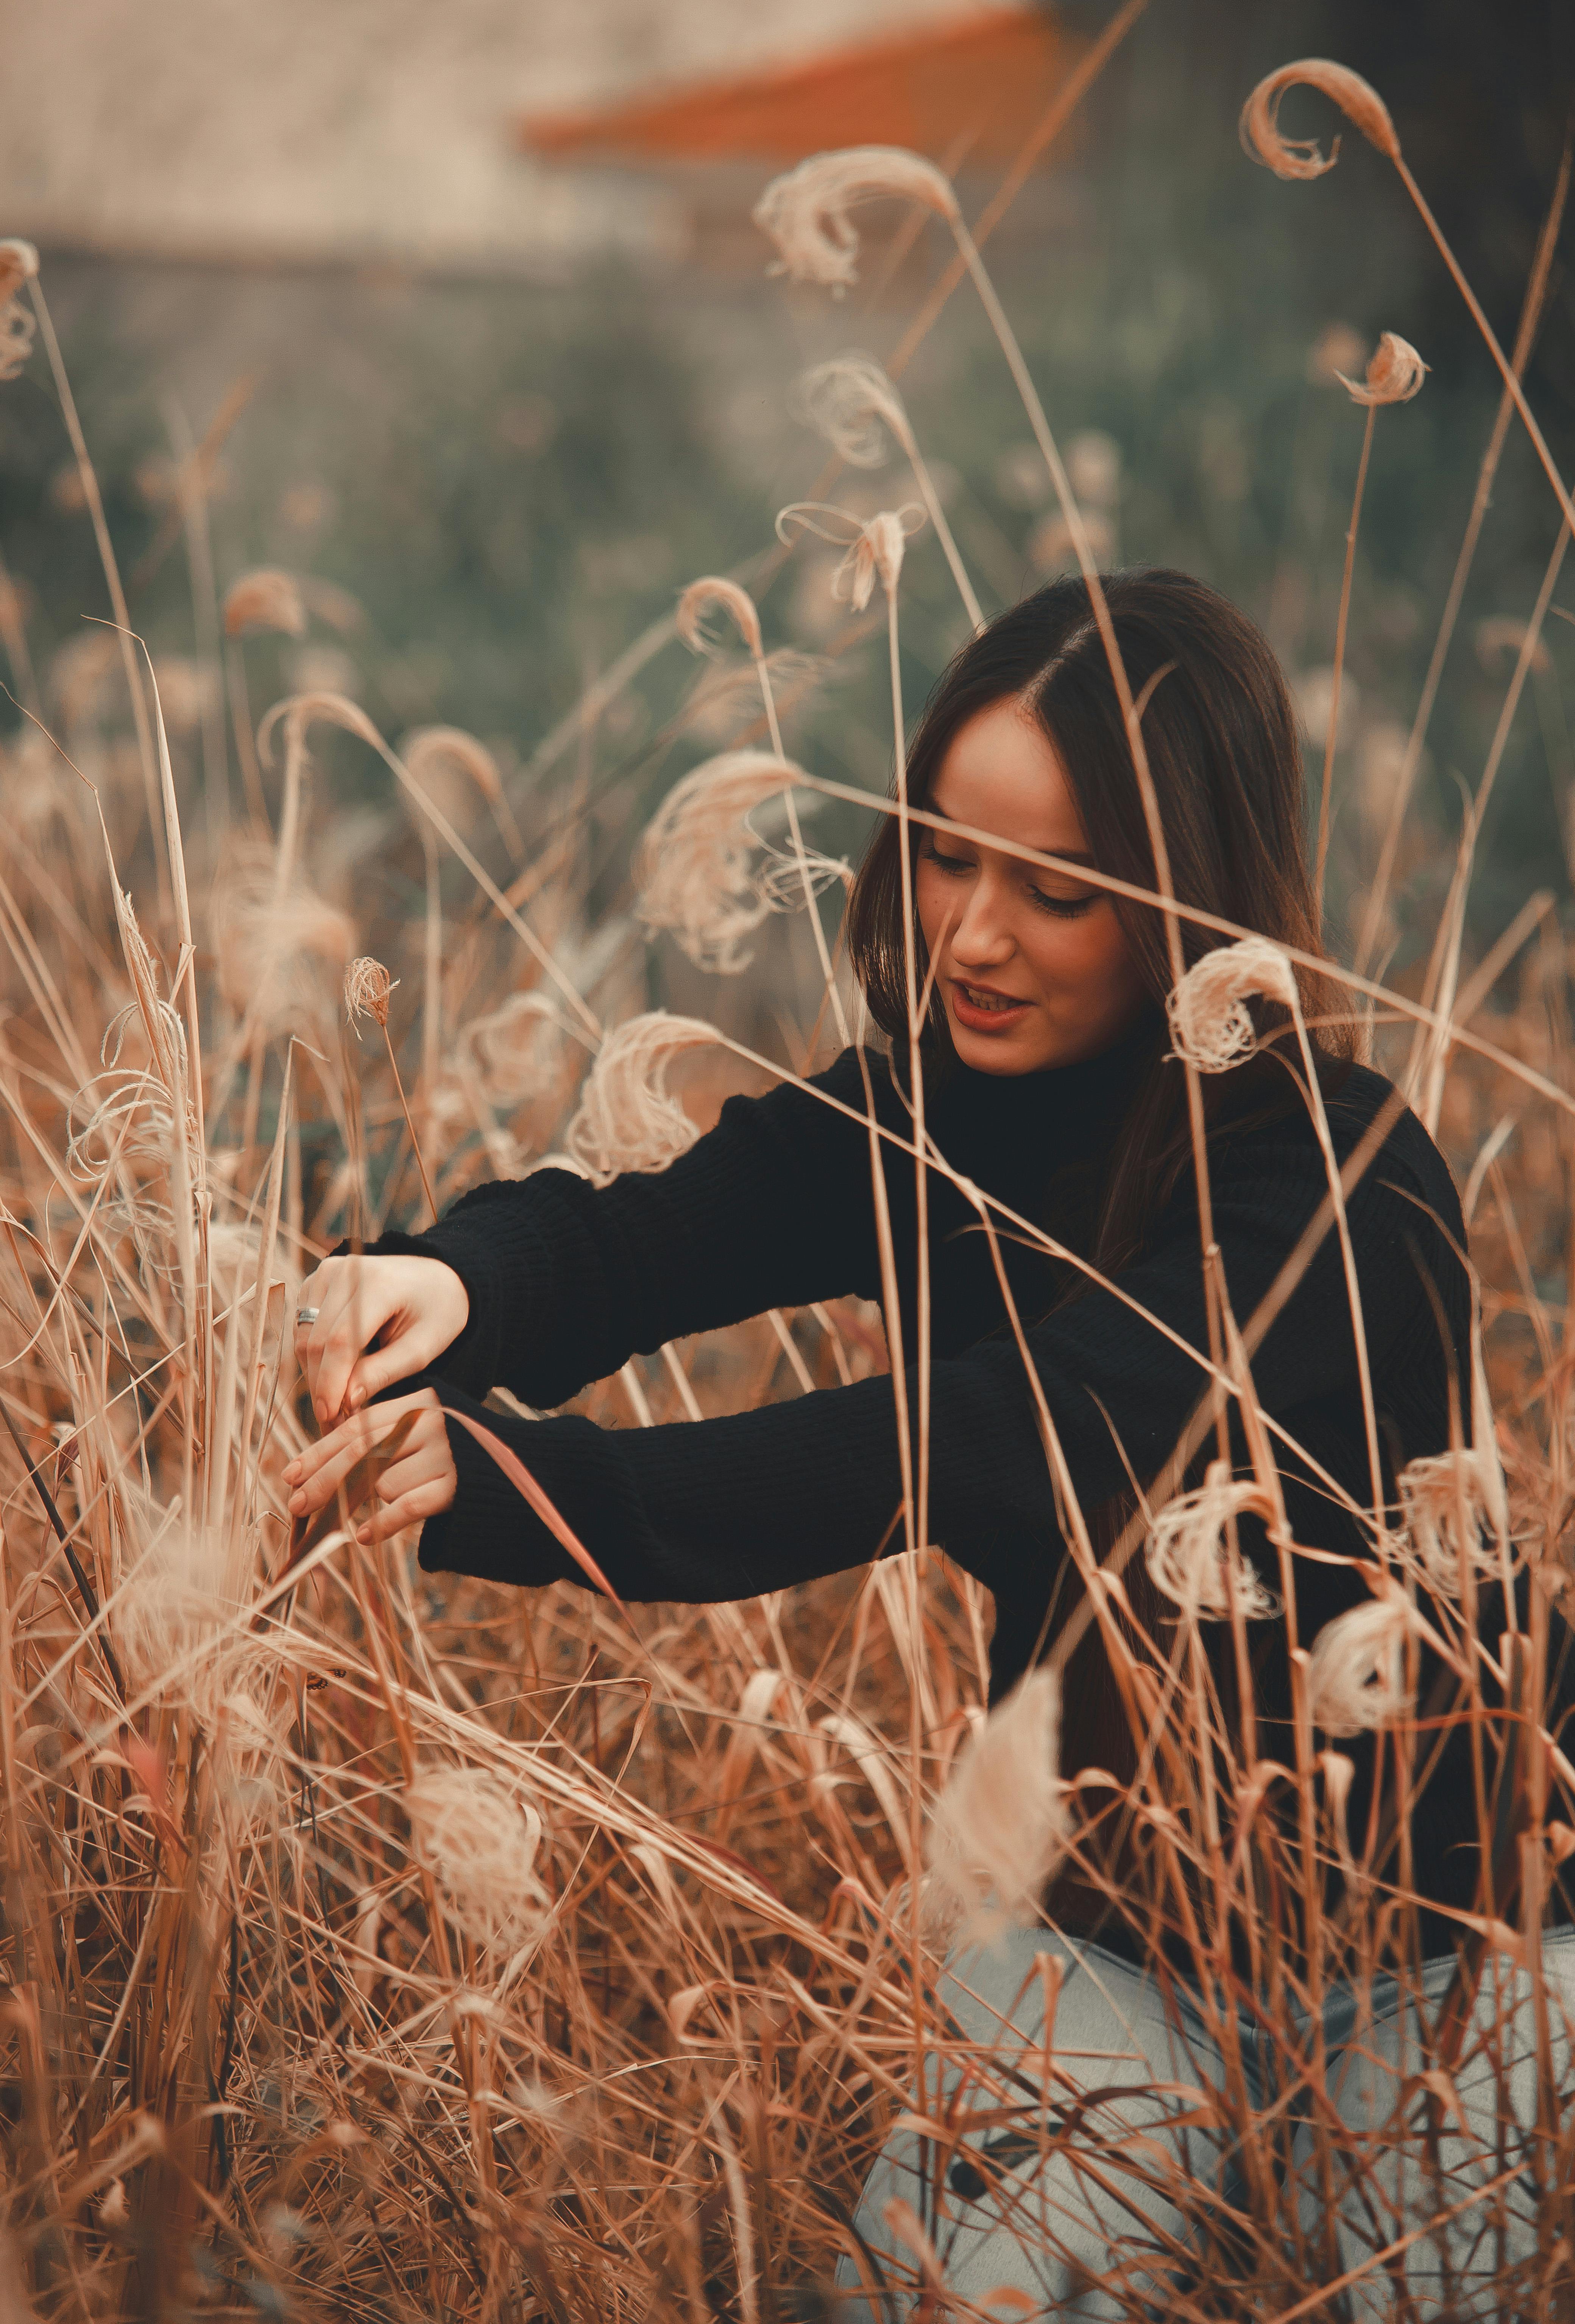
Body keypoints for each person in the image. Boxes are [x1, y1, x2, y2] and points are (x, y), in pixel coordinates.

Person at [284, 571, 1572, 2317]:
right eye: (947, 856)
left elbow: (992, 1442)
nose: (970, 936)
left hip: (1455, 1941)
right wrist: (449, 1282)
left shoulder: (1334, 1177)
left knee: (1418, 2294)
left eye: (1053, 889)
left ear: (1187, 903)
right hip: (1113, 1935)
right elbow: (656, 1233)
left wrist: (517, 1482)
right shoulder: (940, 1119)